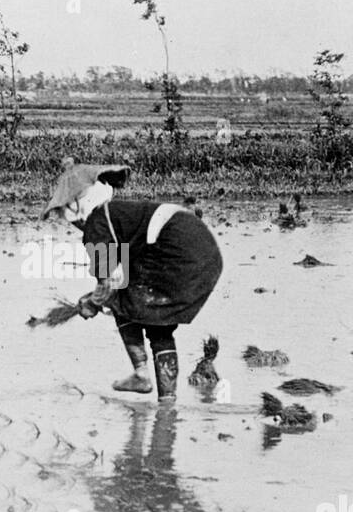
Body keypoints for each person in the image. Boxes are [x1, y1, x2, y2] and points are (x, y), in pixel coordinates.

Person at [43, 159, 223, 401]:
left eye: (69, 218)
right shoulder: (118, 213)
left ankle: (141, 373)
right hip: (206, 254)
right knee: (157, 321)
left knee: (121, 301)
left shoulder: (97, 222)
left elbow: (108, 283)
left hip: (175, 251)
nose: (74, 225)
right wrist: (99, 296)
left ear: (76, 205)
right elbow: (121, 275)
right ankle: (166, 404)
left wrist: (93, 303)